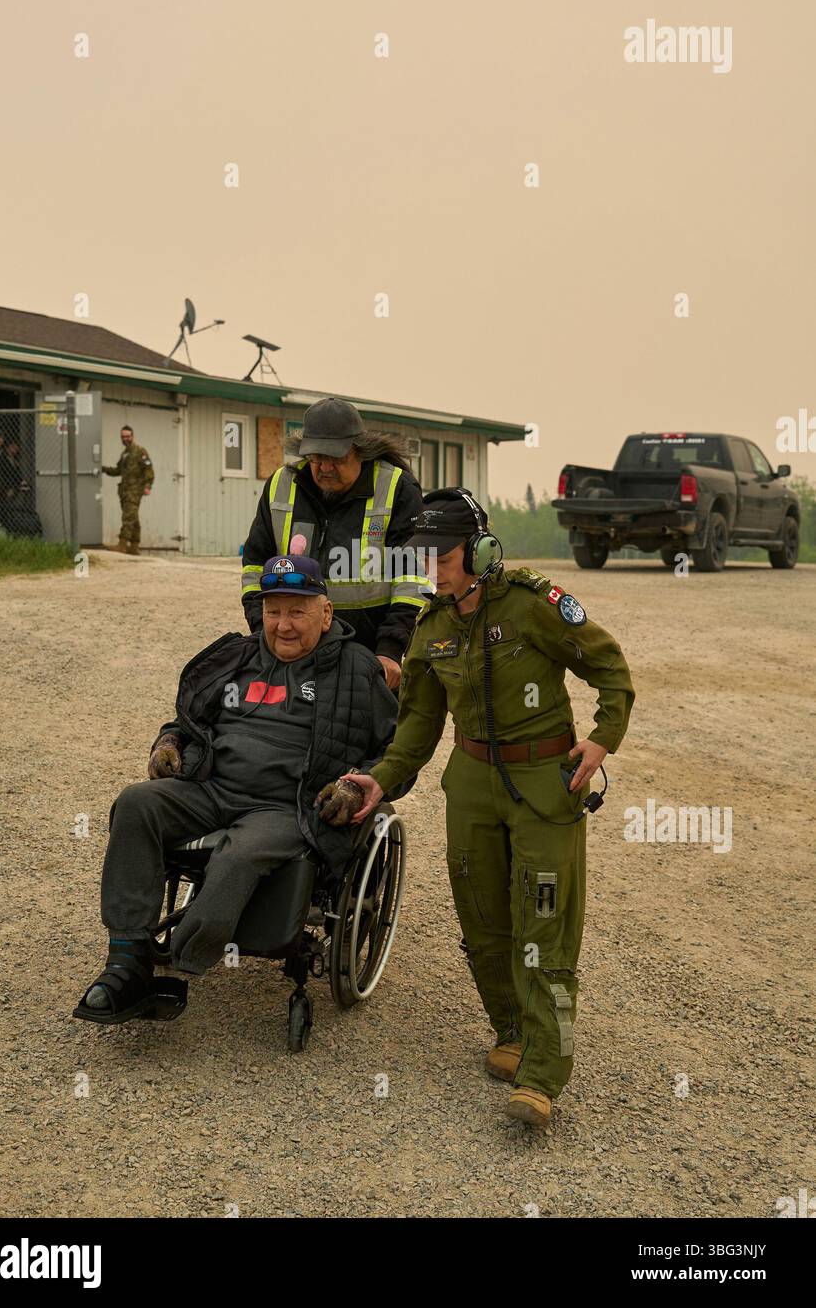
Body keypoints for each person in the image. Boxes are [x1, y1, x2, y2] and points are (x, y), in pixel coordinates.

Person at [343, 489, 635, 1127]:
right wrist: (380, 780)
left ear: (480, 550)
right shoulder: (433, 626)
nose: (431, 569)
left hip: (543, 780)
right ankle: (511, 1031)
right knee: (481, 918)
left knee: (543, 923)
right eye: (422, 557)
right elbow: (417, 728)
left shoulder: (535, 605)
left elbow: (611, 670)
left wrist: (602, 738)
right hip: (471, 780)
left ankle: (542, 1076)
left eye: (441, 556)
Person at [73, 554, 399, 1026]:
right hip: (213, 788)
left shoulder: (356, 671)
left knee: (237, 853)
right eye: (273, 612)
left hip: (289, 806)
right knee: (136, 803)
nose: (283, 626)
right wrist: (169, 744)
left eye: (297, 612)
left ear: (326, 613)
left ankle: (190, 952)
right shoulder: (235, 658)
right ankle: (127, 960)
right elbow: (186, 724)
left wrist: (352, 789)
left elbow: (394, 756)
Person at [240, 397, 433, 690]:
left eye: (337, 458)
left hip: (371, 655)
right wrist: (262, 632)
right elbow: (255, 567)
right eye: (317, 457)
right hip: (296, 653)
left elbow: (413, 577)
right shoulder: (280, 485)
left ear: (360, 451)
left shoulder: (397, 489)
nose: (325, 467)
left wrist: (390, 650)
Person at [102, 425, 154, 555]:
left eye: (128, 436)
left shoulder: (140, 451)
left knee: (128, 517)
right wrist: (103, 469)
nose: (125, 439)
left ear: (132, 436)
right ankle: (134, 547)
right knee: (133, 518)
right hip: (124, 491)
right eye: (123, 437)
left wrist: (148, 486)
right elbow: (118, 471)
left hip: (135, 490)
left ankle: (122, 544)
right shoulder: (125, 454)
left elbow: (149, 470)